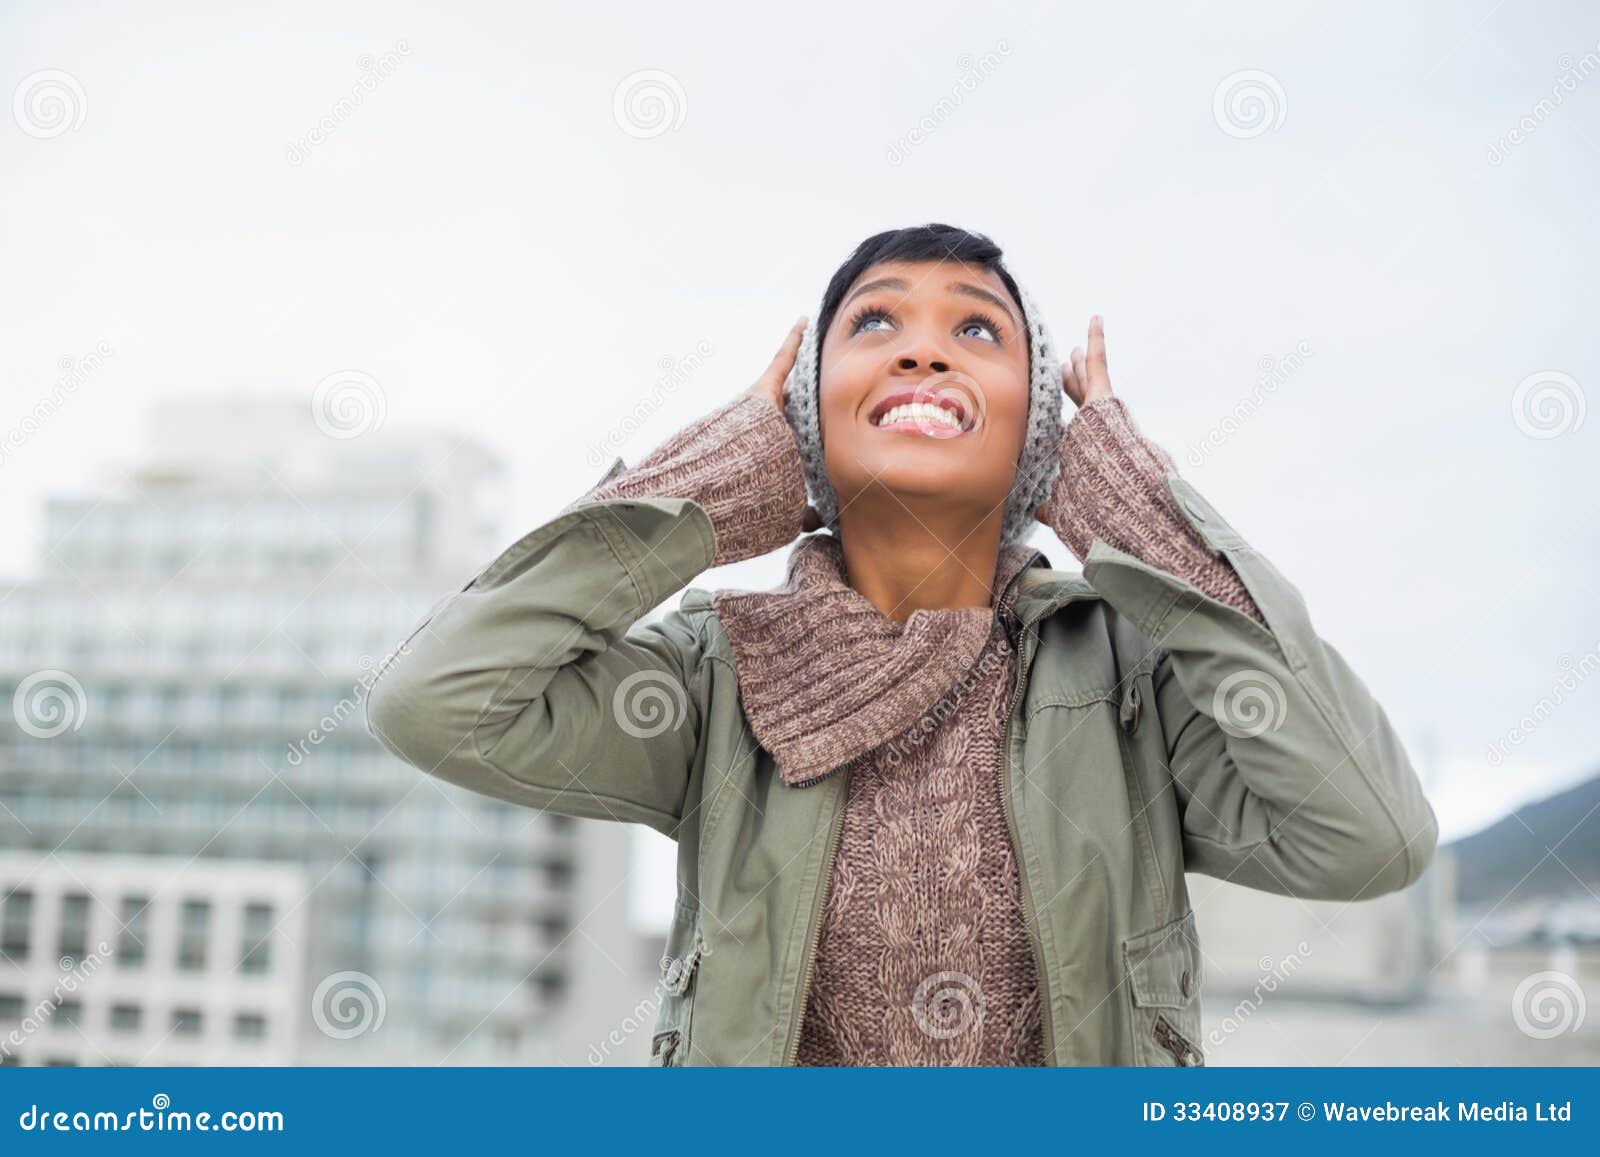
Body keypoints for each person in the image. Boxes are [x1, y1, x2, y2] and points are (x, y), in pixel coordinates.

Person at [365, 222, 1439, 1067]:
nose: (923, 348)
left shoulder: (1129, 680)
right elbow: (436, 698)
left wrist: (1144, 518)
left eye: (978, 331)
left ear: (1038, 432)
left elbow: (1370, 834)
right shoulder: (716, 675)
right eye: (875, 321)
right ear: (803, 415)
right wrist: (702, 488)